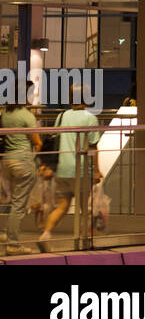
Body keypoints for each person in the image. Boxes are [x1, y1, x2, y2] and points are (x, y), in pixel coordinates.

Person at [37, 88, 101, 252]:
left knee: (62, 206)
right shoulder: (90, 118)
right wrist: (96, 170)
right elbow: (93, 146)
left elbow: (54, 140)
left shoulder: (61, 116)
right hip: (81, 170)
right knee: (85, 209)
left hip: (62, 169)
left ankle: (45, 235)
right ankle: (82, 241)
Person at [1, 97, 42, 255]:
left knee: (10, 201)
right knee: (18, 205)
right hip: (22, 162)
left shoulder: (6, 113)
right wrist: (34, 159)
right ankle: (13, 244)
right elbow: (37, 142)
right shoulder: (26, 115)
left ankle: (5, 232)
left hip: (7, 161)